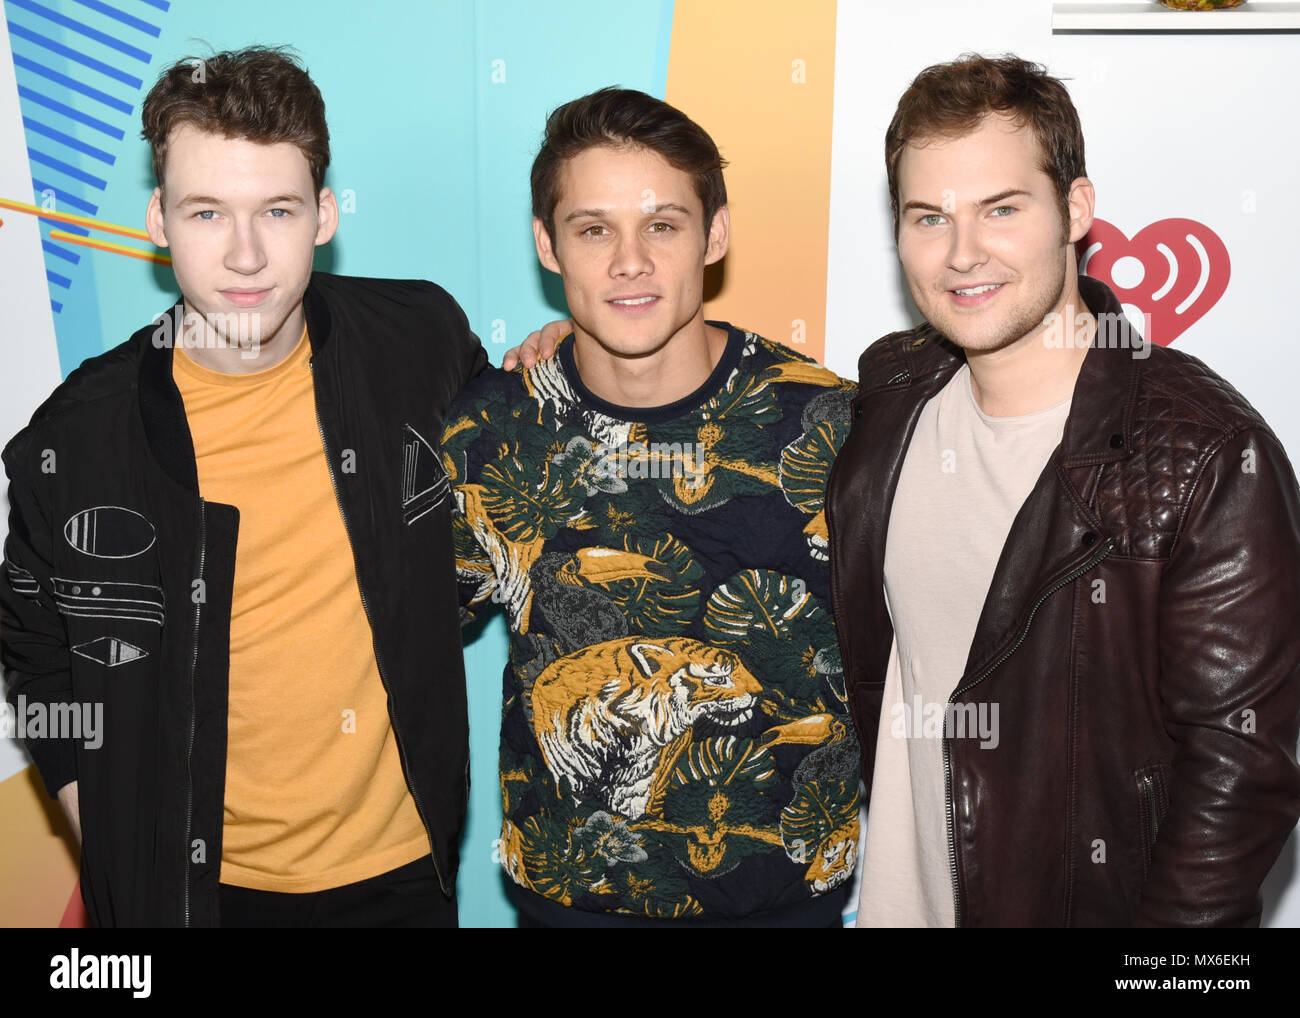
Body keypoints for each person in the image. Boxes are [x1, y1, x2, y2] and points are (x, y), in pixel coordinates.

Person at [0, 46, 486, 927]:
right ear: (157, 219)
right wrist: (104, 827)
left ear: (324, 215)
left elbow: (501, 490)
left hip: (406, 874)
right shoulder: (75, 440)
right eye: (206, 212)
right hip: (200, 900)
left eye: (277, 209)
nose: (246, 253)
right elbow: (37, 651)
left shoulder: (419, 342)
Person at [826, 54, 1300, 927]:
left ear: (1076, 210)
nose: (963, 253)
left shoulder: (1204, 456)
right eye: (928, 217)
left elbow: (1240, 782)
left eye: (1001, 210)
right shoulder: (890, 398)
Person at [444, 87, 861, 927]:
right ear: (547, 244)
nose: (628, 262)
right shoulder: (490, 431)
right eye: (594, 229)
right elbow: (399, 637)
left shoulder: (831, 425)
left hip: (784, 903)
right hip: (571, 898)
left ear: (715, 234)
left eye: (662, 226)